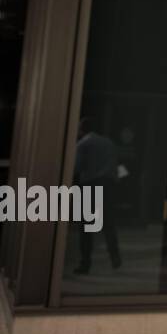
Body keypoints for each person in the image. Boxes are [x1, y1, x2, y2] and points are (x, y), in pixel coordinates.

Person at [72, 117, 122, 273]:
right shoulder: (109, 143)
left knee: (87, 226)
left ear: (82, 129)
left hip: (90, 184)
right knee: (109, 224)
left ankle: (85, 263)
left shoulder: (82, 144)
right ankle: (115, 256)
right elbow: (116, 166)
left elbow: (77, 167)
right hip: (108, 184)